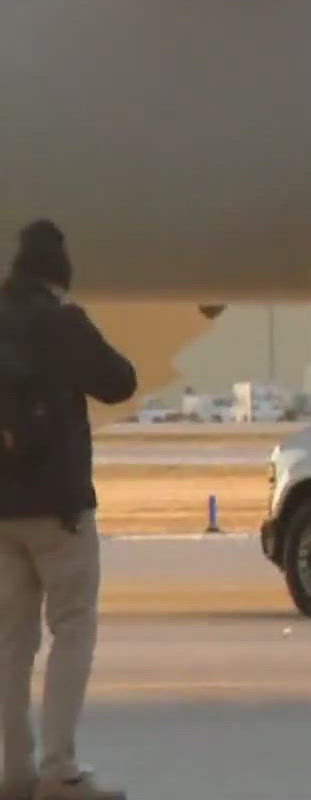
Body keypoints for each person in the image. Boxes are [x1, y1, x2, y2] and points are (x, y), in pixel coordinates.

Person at [0, 221, 138, 800]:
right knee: (72, 630)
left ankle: (13, 773)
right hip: (59, 509)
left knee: (12, 643)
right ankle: (58, 772)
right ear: (58, 277)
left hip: (3, 511)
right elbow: (120, 382)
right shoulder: (61, 322)